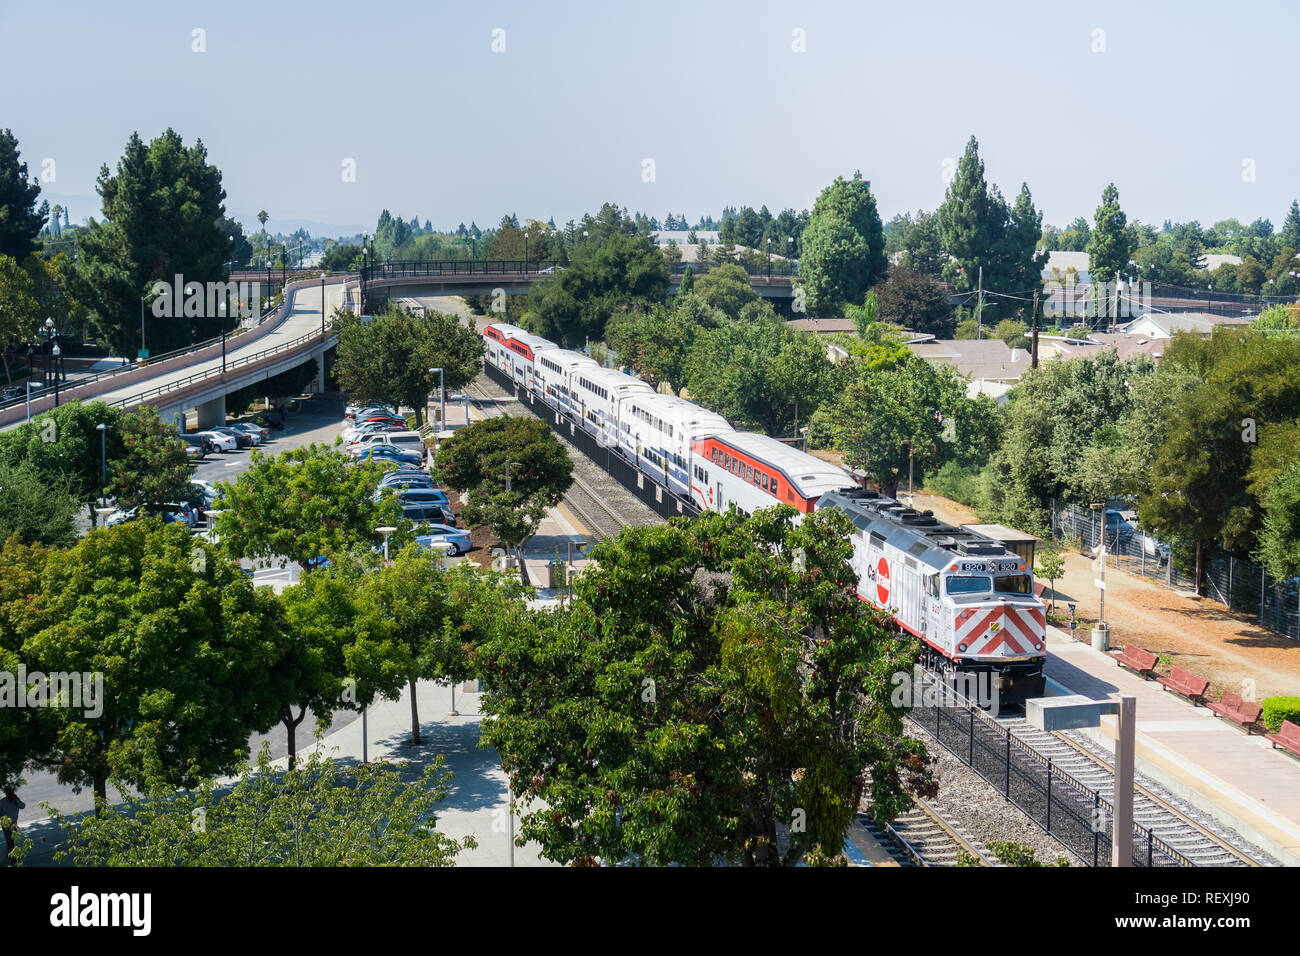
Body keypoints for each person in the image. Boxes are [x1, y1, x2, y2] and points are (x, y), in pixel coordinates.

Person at [1, 787, 24, 865]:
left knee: (11, 841)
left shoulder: (16, 801)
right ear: (7, 794)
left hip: (14, 825)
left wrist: (17, 799)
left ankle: (10, 857)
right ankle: (12, 858)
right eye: (9, 794)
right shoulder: (2, 802)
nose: (11, 795)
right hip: (6, 825)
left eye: (12, 793)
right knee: (10, 842)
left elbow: (23, 806)